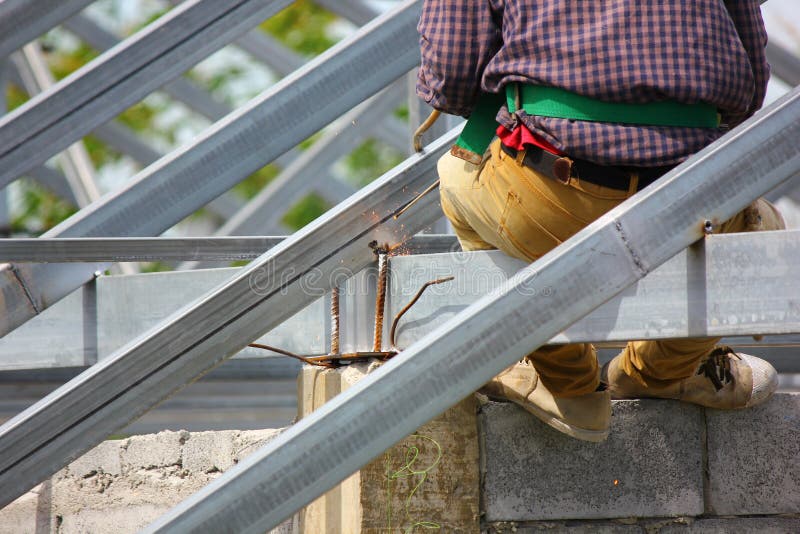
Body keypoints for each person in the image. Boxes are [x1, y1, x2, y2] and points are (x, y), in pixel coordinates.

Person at [416, 0, 784, 442]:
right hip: (690, 200)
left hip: (551, 199)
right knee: (759, 234)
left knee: (456, 174)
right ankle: (661, 372)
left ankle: (567, 387)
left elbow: (452, 77)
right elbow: (751, 86)